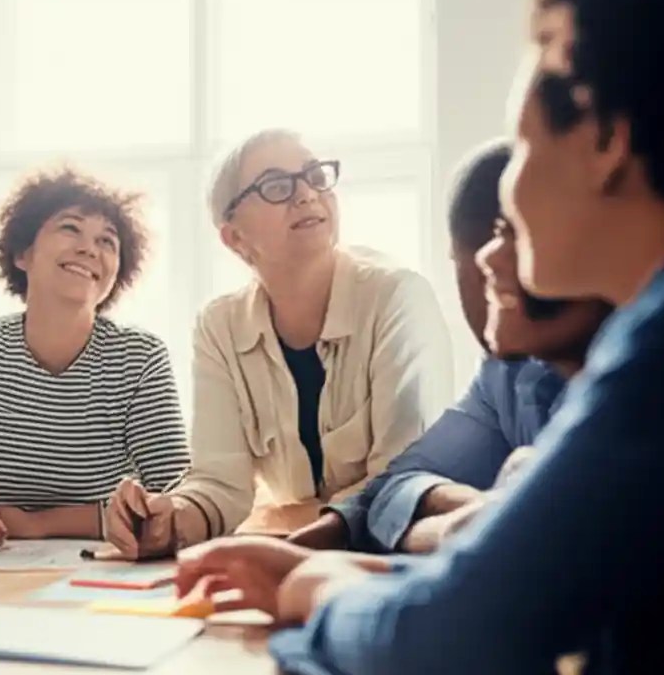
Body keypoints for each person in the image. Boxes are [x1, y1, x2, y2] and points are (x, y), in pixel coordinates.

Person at [177, 0, 664, 675]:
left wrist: (314, 589)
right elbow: (445, 544)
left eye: (521, 146)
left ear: (603, 138)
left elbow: (449, 641)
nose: (504, 197)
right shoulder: (647, 339)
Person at [105, 129, 452, 558]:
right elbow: (220, 484)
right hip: (297, 554)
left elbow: (403, 481)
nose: (306, 194)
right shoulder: (219, 326)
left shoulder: (399, 297)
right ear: (235, 238)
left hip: (392, 559)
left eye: (314, 175)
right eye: (275, 185)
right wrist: (170, 519)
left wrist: (291, 523)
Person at [288, 140, 612, 553]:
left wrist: (466, 525)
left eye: (510, 240)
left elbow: (542, 548)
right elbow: (396, 485)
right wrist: (461, 510)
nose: (493, 263)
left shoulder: (625, 379)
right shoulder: (501, 375)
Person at [0, 168, 190, 550]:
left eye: (107, 241)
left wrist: (35, 524)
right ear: (23, 253)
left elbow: (175, 497)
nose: (89, 249)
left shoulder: (140, 358)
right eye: (70, 228)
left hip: (107, 567)